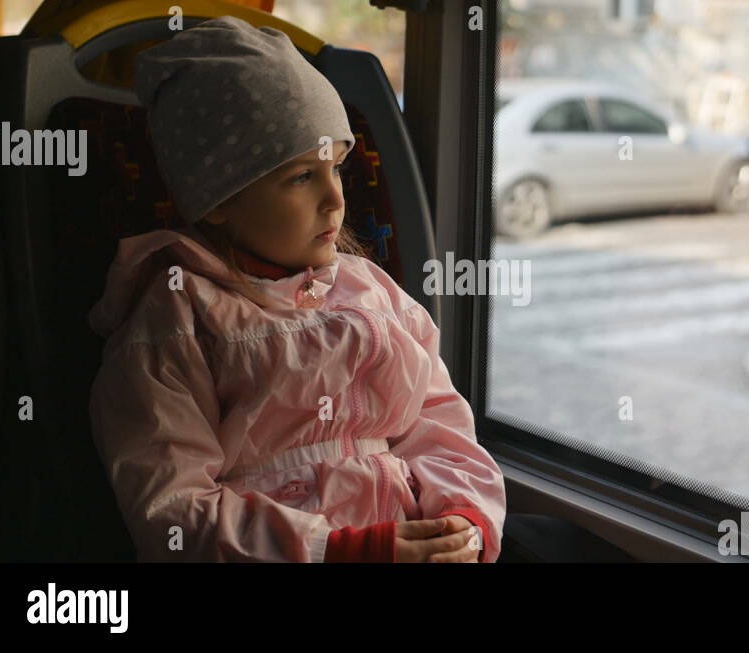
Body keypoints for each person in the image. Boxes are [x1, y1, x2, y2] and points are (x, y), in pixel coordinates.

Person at [87, 16, 506, 563]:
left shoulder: (371, 291)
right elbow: (174, 509)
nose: (336, 199)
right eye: (301, 177)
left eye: (335, 166)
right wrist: (339, 550)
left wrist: (464, 520)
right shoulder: (175, 319)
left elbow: (437, 426)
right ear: (220, 200)